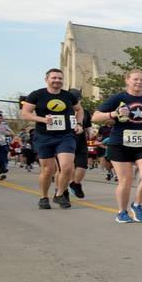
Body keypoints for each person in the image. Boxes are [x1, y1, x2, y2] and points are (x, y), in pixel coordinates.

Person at [92, 69, 142, 223]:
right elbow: (96, 116)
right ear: (127, 80)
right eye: (135, 79)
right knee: (126, 180)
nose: (139, 83)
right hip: (120, 143)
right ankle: (122, 212)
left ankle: (137, 205)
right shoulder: (118, 97)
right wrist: (113, 114)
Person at [21, 68, 83, 210]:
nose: (57, 81)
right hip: (44, 136)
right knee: (48, 170)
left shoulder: (68, 96)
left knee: (67, 167)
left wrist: (78, 124)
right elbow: (25, 113)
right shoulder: (37, 95)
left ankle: (60, 194)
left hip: (65, 136)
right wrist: (42, 119)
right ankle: (43, 197)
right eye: (54, 78)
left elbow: (79, 110)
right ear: (47, 79)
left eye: (60, 78)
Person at [68, 88, 93, 199]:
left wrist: (91, 132)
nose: (77, 101)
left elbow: (88, 126)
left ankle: (75, 184)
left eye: (78, 99)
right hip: (65, 141)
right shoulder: (63, 111)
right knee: (68, 168)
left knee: (82, 166)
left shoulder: (85, 112)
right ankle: (61, 190)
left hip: (81, 142)